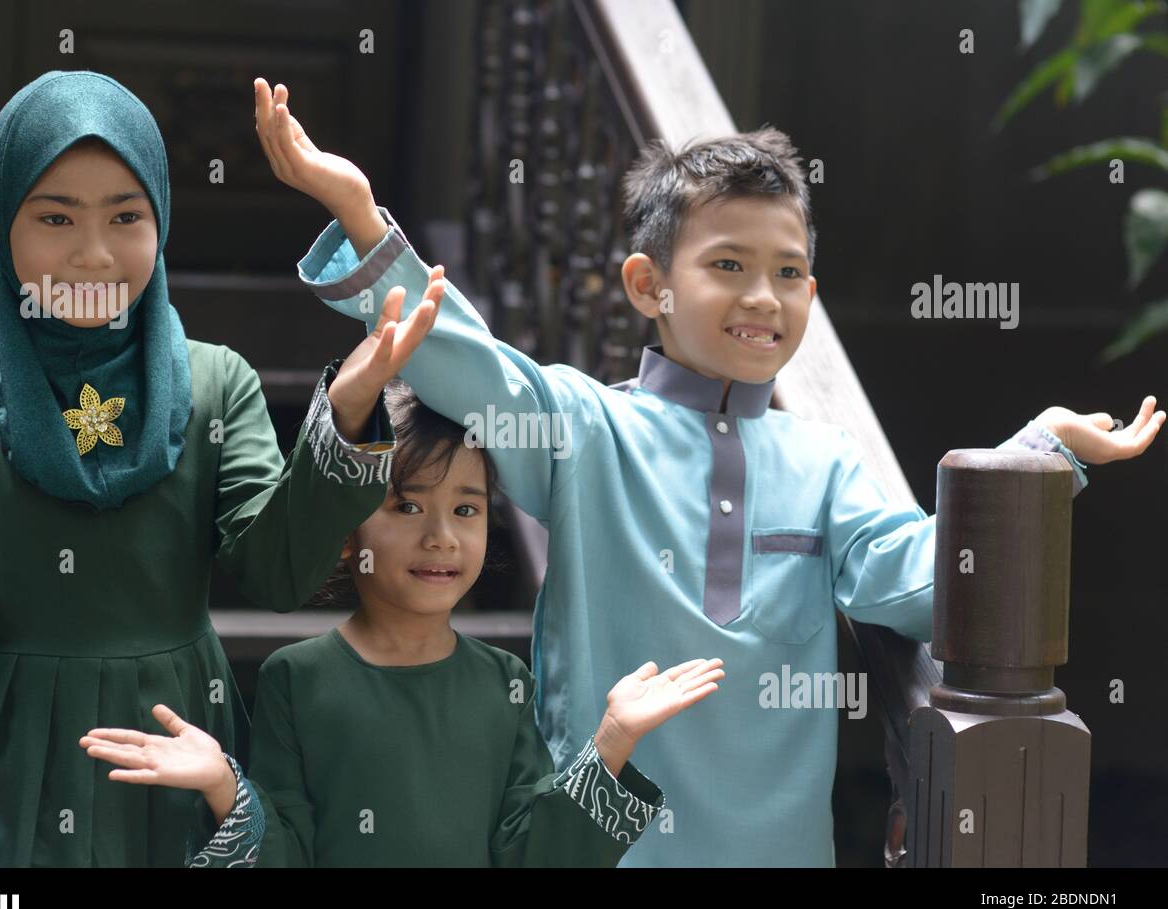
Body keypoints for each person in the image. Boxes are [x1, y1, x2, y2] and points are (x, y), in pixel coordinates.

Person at [254, 77, 1165, 866]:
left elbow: (925, 587)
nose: (762, 296)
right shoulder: (586, 425)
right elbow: (464, 363)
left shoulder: (827, 464)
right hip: (598, 845)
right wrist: (361, 217)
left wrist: (1038, 458)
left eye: (787, 270)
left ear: (810, 292)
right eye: (727, 264)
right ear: (649, 284)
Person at [0, 70, 438, 866]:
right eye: (56, 216)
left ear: (161, 222)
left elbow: (274, 572)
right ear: (3, 224)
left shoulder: (215, 386)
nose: (94, 252)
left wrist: (343, 421)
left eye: (126, 216)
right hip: (14, 766)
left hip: (184, 749)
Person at [82, 380, 724, 866]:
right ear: (345, 530)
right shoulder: (296, 679)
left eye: (466, 510)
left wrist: (610, 742)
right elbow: (286, 852)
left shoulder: (503, 680)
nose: (441, 537)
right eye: (407, 505)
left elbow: (532, 854)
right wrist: (225, 785)